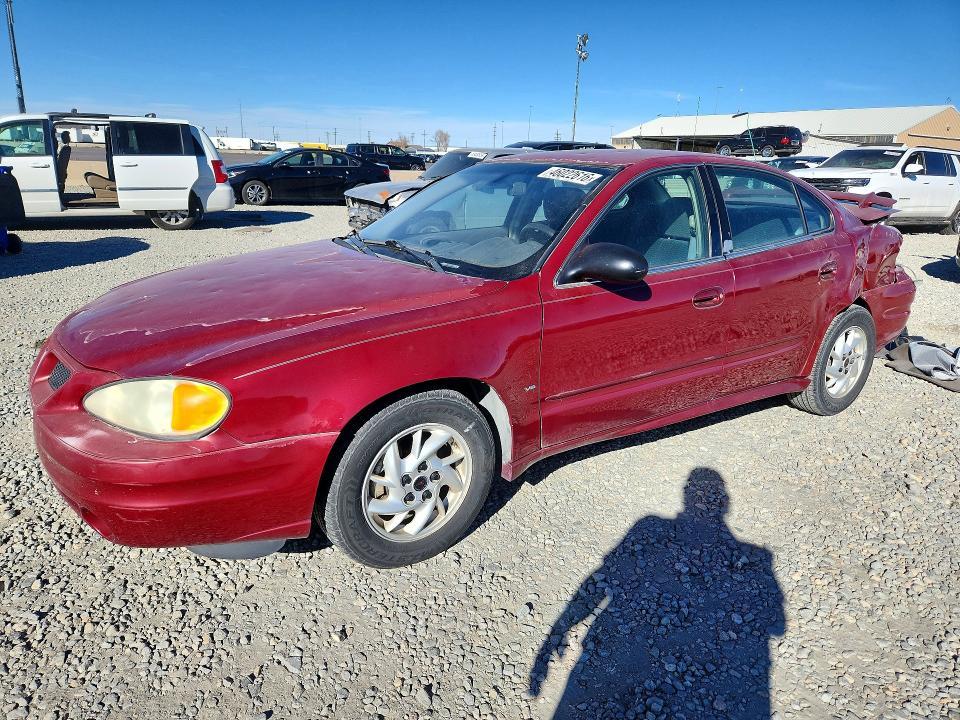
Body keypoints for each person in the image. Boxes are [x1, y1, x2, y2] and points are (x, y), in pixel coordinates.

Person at [529, 468, 785, 719]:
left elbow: (605, 573)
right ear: (725, 503)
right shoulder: (760, 559)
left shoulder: (648, 525)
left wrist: (557, 634)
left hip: (605, 643)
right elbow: (777, 626)